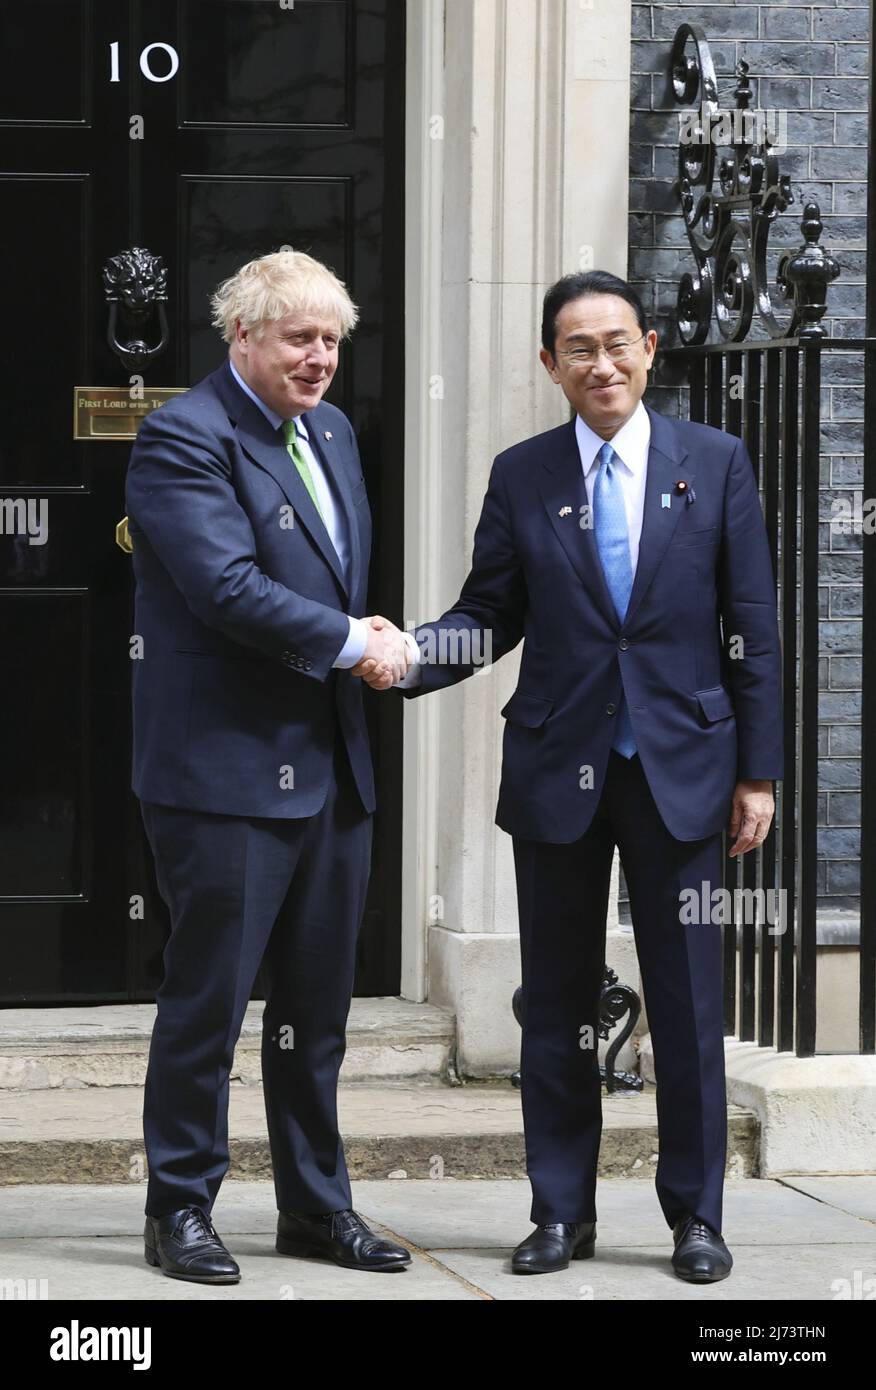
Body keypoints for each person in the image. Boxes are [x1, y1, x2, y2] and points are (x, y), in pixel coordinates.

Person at [360, 270, 782, 1282]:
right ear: (550, 365)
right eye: (579, 348)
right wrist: (413, 656)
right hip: (561, 768)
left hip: (685, 768)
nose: (603, 362)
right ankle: (561, 1213)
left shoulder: (716, 463)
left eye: (618, 342)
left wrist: (758, 774)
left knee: (685, 1005)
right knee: (552, 1005)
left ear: (648, 351)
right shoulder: (524, 472)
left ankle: (695, 1219)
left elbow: (756, 633)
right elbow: (489, 612)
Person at [126, 250, 416, 1283]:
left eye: (334, 339)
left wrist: (373, 642)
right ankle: (181, 1209)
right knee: (208, 1005)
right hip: (223, 775)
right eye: (300, 337)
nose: (322, 358)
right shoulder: (181, 437)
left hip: (330, 770)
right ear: (240, 336)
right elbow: (227, 588)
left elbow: (329, 582)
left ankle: (314, 1206)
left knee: (315, 1014)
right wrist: (355, 639)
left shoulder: (331, 432)